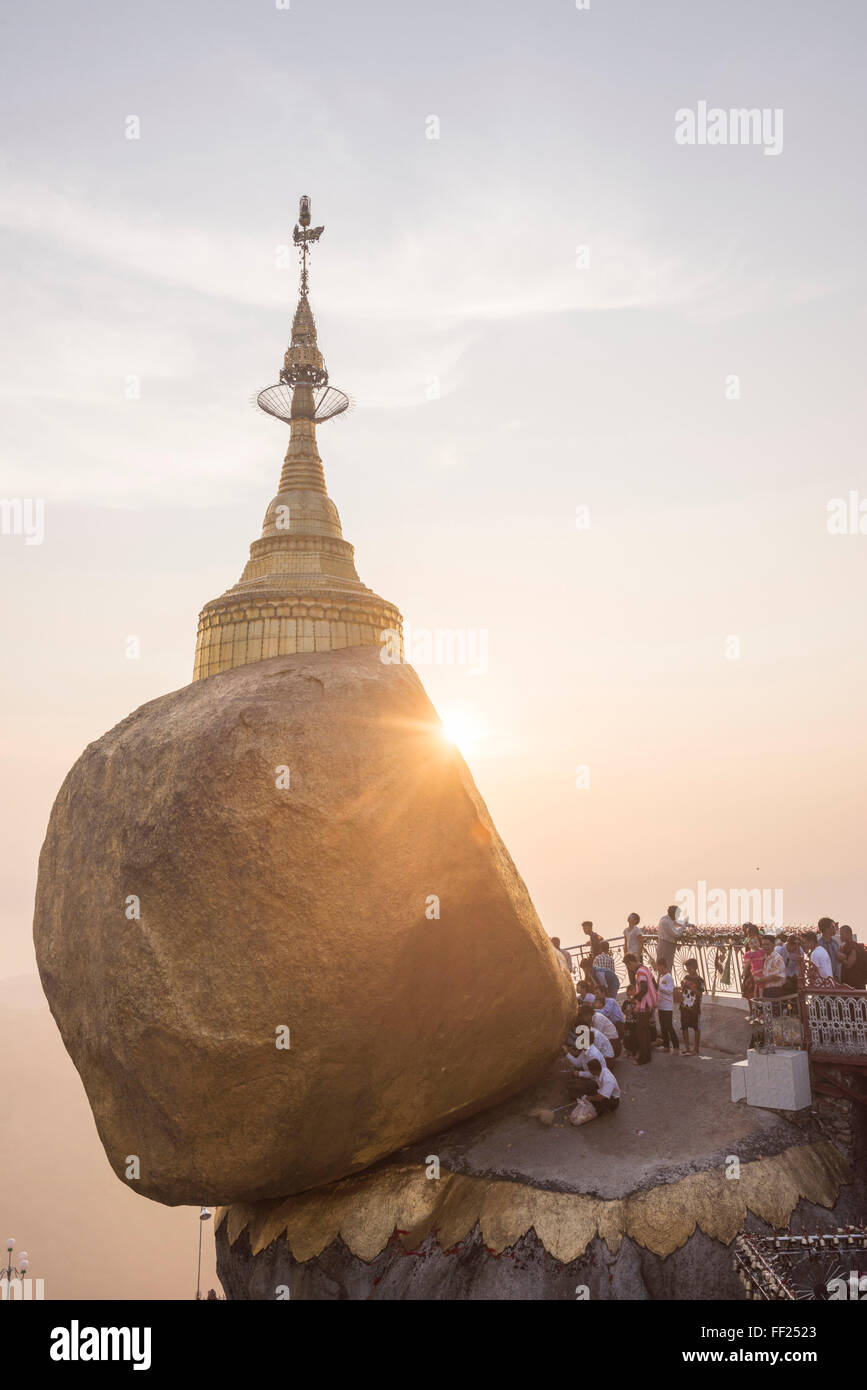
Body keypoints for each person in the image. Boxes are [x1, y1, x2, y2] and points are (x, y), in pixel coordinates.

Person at [631, 958, 658, 1064]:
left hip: (644, 1006)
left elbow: (644, 989)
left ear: (631, 962)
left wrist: (635, 998)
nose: (630, 969)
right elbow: (655, 985)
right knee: (645, 1031)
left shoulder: (640, 971)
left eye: (629, 966)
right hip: (650, 1005)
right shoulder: (646, 969)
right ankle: (647, 1057)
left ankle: (643, 1059)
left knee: (641, 1033)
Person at [679, 957, 705, 1055]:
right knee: (684, 1027)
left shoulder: (700, 980)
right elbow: (683, 991)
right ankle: (687, 1048)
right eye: (687, 969)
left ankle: (696, 1049)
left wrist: (690, 987)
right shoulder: (686, 977)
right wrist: (683, 985)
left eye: (690, 969)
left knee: (696, 1028)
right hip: (685, 1006)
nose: (689, 971)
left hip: (694, 1008)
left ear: (695, 968)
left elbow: (700, 994)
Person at [654, 956, 680, 1053]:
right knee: (662, 1026)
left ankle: (676, 1046)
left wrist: (659, 987)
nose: (657, 969)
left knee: (669, 1026)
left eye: (658, 966)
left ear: (662, 966)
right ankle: (666, 1046)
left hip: (667, 1006)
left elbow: (670, 990)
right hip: (661, 1005)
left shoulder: (668, 977)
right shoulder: (660, 977)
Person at [753, 933, 787, 999]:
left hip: (774, 990)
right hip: (764, 989)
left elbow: (777, 977)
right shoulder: (764, 956)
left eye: (767, 944)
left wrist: (760, 980)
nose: (765, 947)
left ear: (773, 945)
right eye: (763, 945)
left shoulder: (777, 958)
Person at [656, 904, 687, 974]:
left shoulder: (664, 918)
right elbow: (677, 934)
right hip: (667, 946)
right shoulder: (667, 922)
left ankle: (662, 983)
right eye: (678, 914)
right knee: (666, 966)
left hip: (662, 945)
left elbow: (675, 923)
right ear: (673, 914)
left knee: (662, 967)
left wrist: (685, 924)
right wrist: (684, 926)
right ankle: (665, 984)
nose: (678, 916)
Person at [839, 925, 867, 989]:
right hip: (851, 982)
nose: (840, 937)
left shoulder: (853, 947)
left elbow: (849, 964)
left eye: (842, 934)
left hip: (854, 984)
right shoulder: (846, 946)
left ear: (848, 934)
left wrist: (841, 959)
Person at [818, 918, 841, 982]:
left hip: (836, 978)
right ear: (827, 929)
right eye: (833, 927)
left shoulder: (835, 943)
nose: (835, 929)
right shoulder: (819, 945)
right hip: (824, 980)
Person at [623, 913, 643, 983]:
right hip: (629, 956)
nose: (630, 917)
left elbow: (641, 943)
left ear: (635, 920)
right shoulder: (625, 930)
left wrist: (638, 955)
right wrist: (625, 954)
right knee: (631, 976)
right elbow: (625, 943)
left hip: (636, 955)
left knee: (639, 975)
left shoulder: (637, 930)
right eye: (630, 916)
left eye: (632, 917)